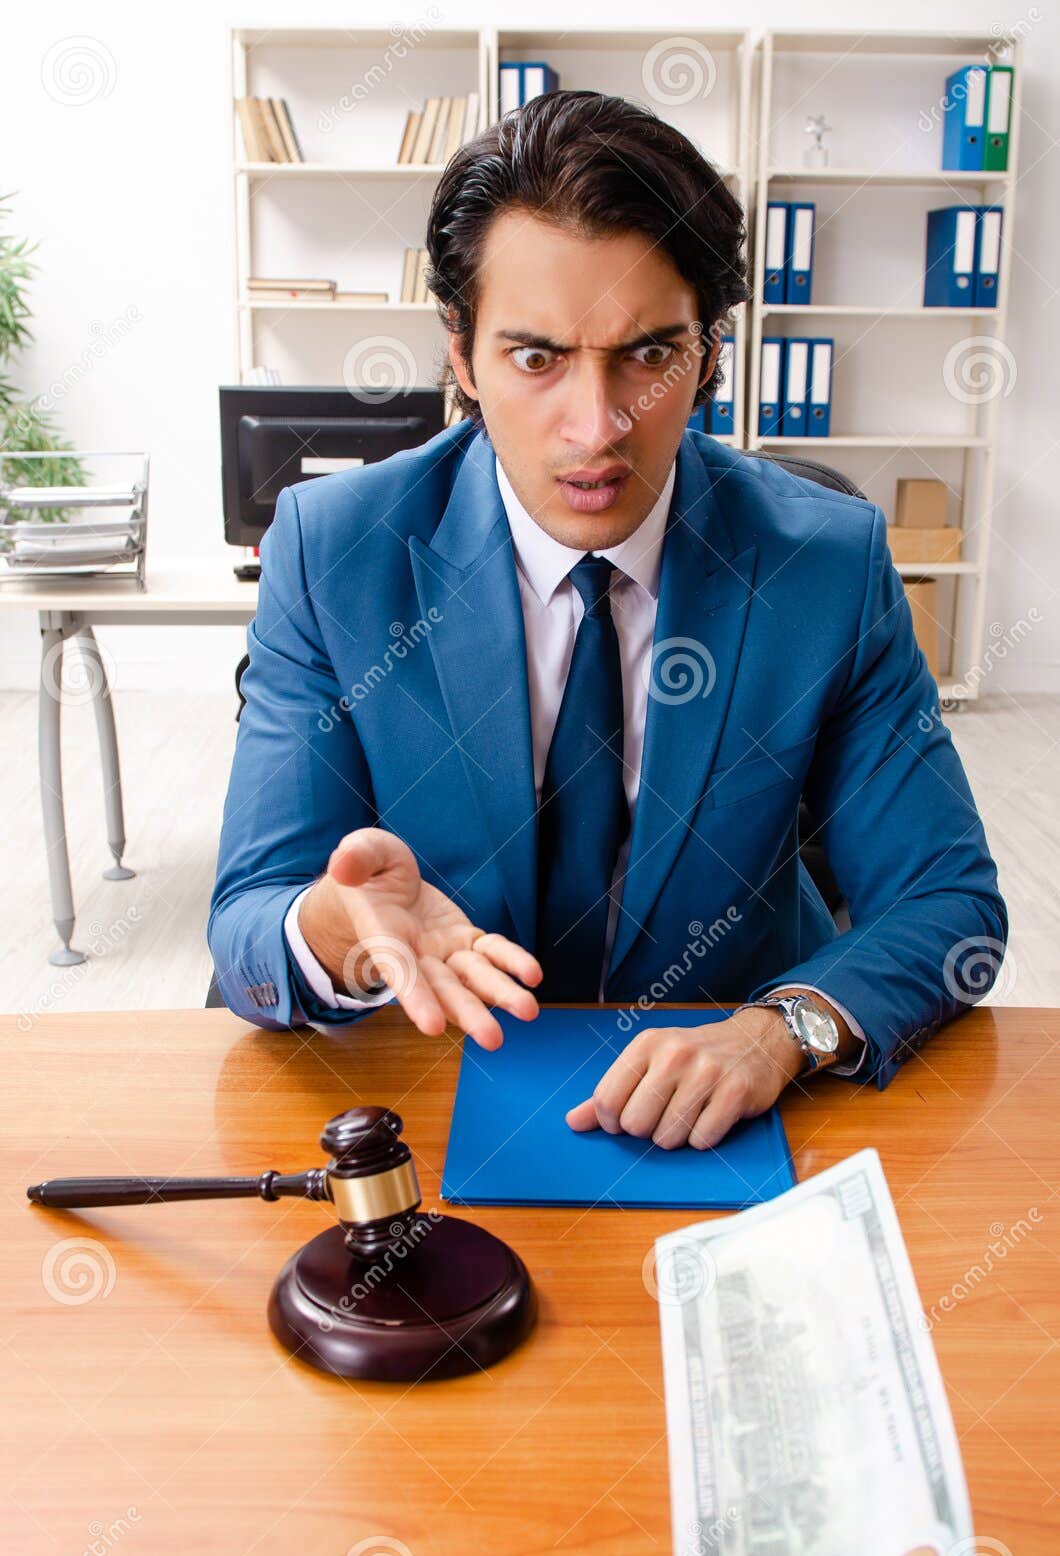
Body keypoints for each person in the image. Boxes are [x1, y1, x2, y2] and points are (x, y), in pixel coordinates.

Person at [208, 91, 1007, 1152]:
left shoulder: (828, 563)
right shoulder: (333, 552)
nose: (598, 428)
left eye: (648, 354)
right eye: (536, 358)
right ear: (461, 353)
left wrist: (783, 1029)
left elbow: (946, 900)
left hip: (731, 1109)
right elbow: (245, 930)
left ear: (710, 354)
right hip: (438, 1094)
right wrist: (336, 933)